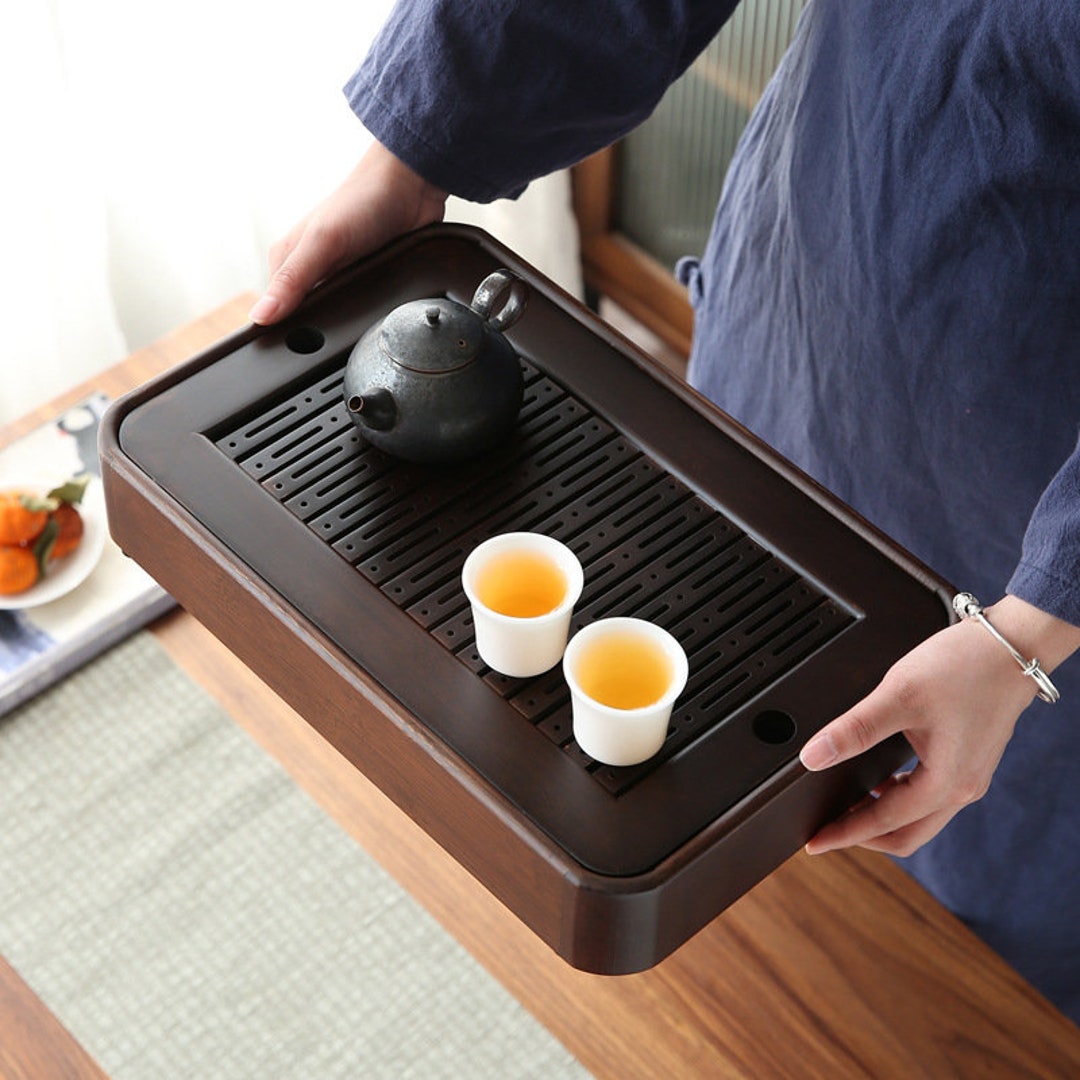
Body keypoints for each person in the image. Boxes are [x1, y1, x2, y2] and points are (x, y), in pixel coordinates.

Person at [248, 1, 1080, 1021]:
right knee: (718, 831)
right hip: (808, 300)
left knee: (948, 981)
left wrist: (1038, 626)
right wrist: (410, 158)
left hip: (1033, 537)